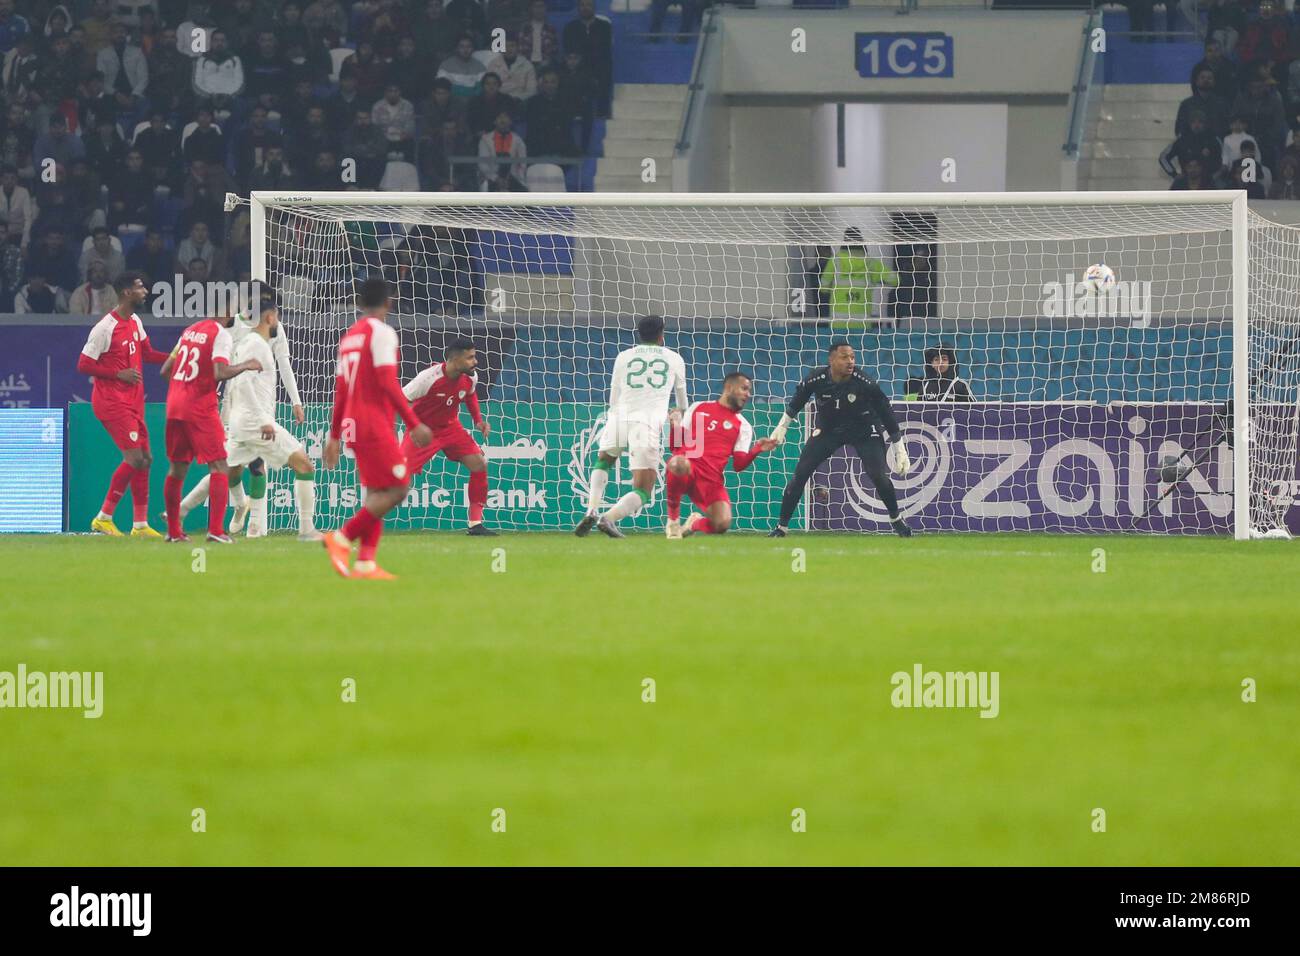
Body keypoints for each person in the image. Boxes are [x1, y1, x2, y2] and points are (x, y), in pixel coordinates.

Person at [322, 278, 433, 579]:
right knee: (398, 488)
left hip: (352, 423)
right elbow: (387, 382)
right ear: (389, 303)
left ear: (359, 304)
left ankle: (366, 562)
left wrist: (333, 435)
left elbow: (341, 389)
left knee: (377, 491)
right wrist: (414, 423)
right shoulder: (381, 332)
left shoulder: (349, 337)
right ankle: (342, 537)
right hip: (373, 422)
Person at [767, 341, 912, 538]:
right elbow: (798, 400)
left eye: (852, 357)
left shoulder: (865, 382)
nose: (850, 361)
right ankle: (781, 527)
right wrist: (782, 426)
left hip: (864, 430)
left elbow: (886, 413)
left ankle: (896, 520)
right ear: (832, 360)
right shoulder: (815, 378)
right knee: (801, 473)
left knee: (878, 475)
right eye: (845, 357)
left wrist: (899, 448)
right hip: (828, 431)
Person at [575, 315, 688, 539]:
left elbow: (613, 395)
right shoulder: (675, 358)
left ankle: (591, 509)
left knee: (604, 460)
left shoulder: (623, 356)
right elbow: (681, 402)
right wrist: (677, 413)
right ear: (661, 334)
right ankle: (609, 518)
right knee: (645, 489)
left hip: (619, 416)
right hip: (646, 422)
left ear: (639, 333)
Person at [76, 272, 170, 537]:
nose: (146, 291)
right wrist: (118, 374)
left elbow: (148, 353)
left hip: (133, 401)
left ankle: (139, 525)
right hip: (111, 402)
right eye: (140, 287)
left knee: (146, 460)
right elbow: (83, 364)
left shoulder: (135, 320)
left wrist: (177, 356)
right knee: (135, 458)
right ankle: (103, 518)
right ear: (127, 292)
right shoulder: (105, 328)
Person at [159, 312, 262, 544]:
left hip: (175, 405)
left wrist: (183, 388)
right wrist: (246, 365)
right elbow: (220, 372)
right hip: (199, 407)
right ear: (225, 313)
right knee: (219, 466)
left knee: (176, 470)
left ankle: (173, 532)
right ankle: (216, 530)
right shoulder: (220, 334)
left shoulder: (190, 331)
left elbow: (166, 370)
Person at [220, 304, 319, 541]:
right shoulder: (247, 337)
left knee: (239, 467)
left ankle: (252, 523)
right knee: (302, 465)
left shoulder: (260, 338)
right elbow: (238, 378)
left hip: (243, 415)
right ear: (269, 316)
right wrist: (263, 418)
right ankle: (305, 530)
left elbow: (283, 365)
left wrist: (295, 401)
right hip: (249, 415)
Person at [400, 338, 497, 536]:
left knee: (479, 464)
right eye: (470, 358)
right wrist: (414, 427)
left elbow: (469, 395)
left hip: (451, 428)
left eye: (474, 356)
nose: (475, 362)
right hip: (423, 431)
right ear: (455, 359)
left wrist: (478, 420)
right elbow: (401, 401)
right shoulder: (427, 379)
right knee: (398, 478)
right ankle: (367, 520)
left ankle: (475, 524)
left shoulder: (471, 377)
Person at [664, 372, 777, 539]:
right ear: (729, 388)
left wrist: (757, 449)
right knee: (678, 463)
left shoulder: (743, 426)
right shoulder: (698, 407)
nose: (748, 394)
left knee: (721, 524)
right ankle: (673, 522)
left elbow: (738, 465)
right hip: (688, 468)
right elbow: (676, 447)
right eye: (744, 388)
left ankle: (693, 524)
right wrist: (675, 425)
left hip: (711, 480)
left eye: (749, 391)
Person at [821, 227, 899, 329]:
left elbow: (823, 288)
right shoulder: (870, 263)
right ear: (861, 241)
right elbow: (895, 280)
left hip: (838, 324)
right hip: (863, 324)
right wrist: (879, 280)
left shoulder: (835, 261)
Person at [903, 345, 973, 402]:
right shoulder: (925, 387)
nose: (940, 362)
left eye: (944, 359)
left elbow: (974, 410)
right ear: (932, 364)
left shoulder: (960, 385)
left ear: (950, 363)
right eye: (936, 360)